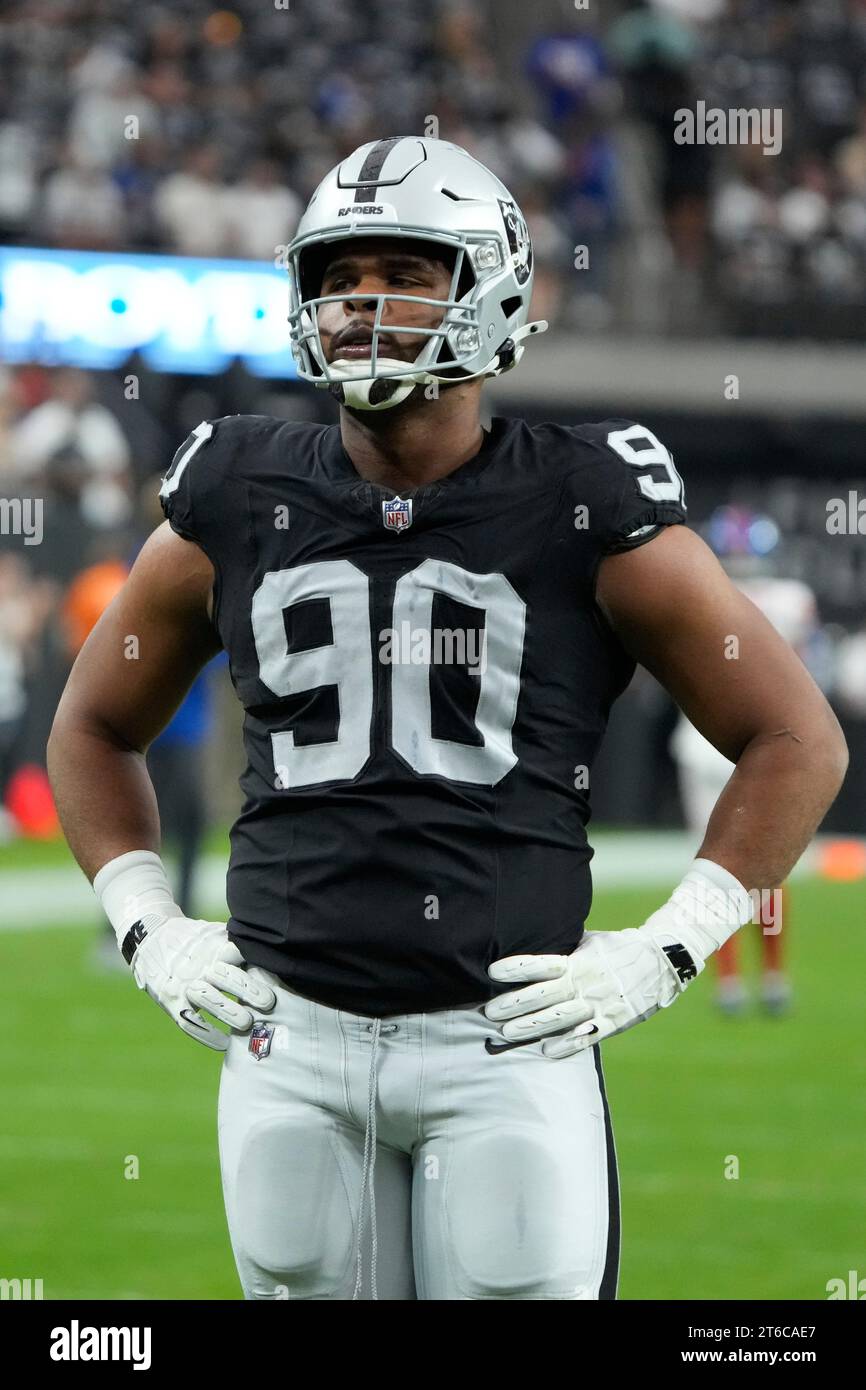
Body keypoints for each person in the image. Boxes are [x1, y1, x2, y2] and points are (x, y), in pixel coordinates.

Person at [47, 136, 847, 1301]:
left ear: (495, 287)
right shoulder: (236, 488)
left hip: (501, 1040)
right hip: (289, 1038)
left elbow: (795, 737)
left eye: (405, 270)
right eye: (337, 272)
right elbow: (89, 724)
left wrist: (664, 949)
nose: (360, 301)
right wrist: (145, 924)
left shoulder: (581, 499)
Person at [670, 506, 820, 1016]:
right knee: (768, 869)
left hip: (704, 739)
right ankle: (770, 977)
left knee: (712, 867)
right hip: (775, 743)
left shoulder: (697, 589)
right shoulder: (791, 599)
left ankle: (730, 981)